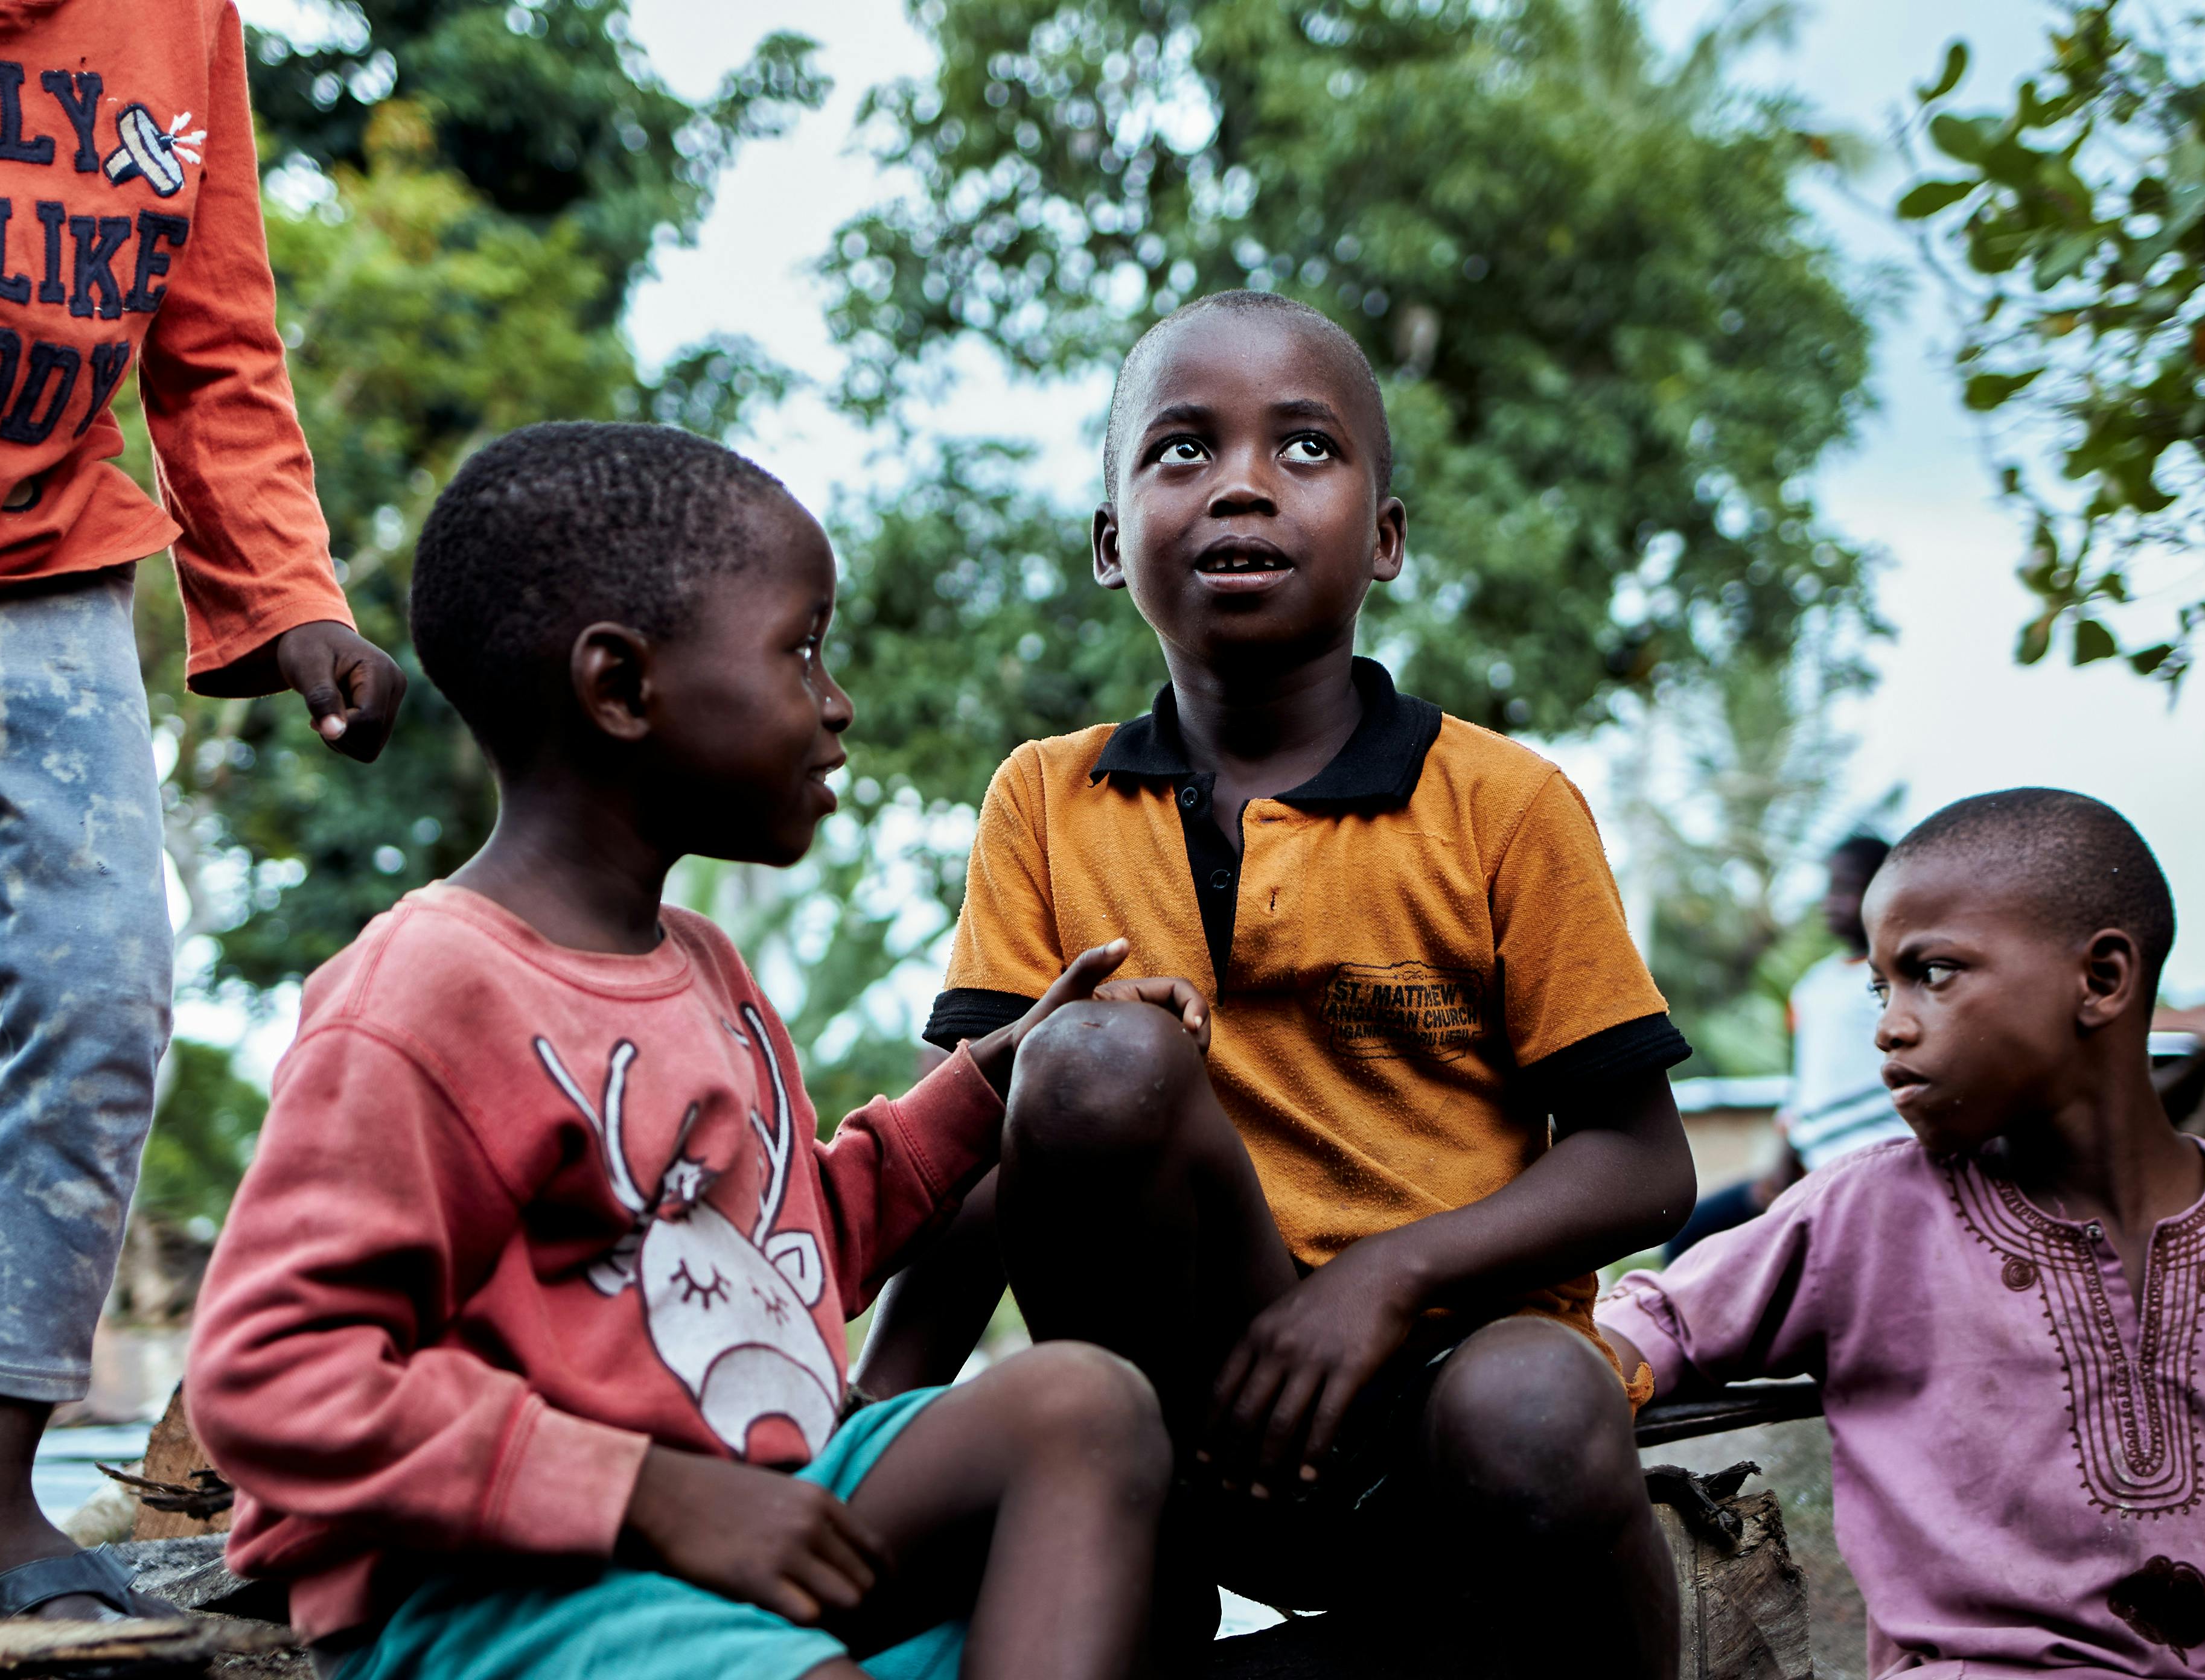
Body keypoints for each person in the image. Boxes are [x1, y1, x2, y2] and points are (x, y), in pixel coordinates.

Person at [187, 424, 1176, 1680]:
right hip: (496, 1586)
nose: (837, 702)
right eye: (800, 650)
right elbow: (267, 1374)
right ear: (621, 689)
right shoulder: (430, 989)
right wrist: (645, 1494)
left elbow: (781, 1243)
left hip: (741, 1509)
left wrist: (998, 1079)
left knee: (1087, 1417)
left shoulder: (704, 968)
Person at [855, 291, 1697, 1675]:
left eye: (1303, 449)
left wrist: (1381, 1281)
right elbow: (982, 1149)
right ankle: (1137, 1571)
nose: (1242, 480)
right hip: (1173, 1416)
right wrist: (869, 1414)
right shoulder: (1045, 798)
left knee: (1538, 1404)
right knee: (1082, 1062)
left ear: (1385, 537)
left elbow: (1641, 1163)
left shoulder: (1501, 803)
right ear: (1110, 538)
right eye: (1181, 449)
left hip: (1440, 1412)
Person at [0, 0, 409, 1625]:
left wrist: (291, 600)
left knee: (103, 984)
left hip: (39, 554)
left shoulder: (173, 21)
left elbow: (212, 333)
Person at [1600, 789, 2205, 1678]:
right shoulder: (1866, 1213)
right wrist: (1559, 1375)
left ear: (2101, 980)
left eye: (1931, 973)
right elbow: (1657, 1323)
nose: (1890, 1025)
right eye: (1880, 987)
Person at [1664, 832, 1912, 1260]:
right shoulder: (1814, 984)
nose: (1832, 901)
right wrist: (1783, 1160)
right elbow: (1804, 1083)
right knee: (1691, 1240)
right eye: (1829, 888)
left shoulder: (1901, 980)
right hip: (1809, 1164)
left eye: (1849, 888)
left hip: (1877, 1168)